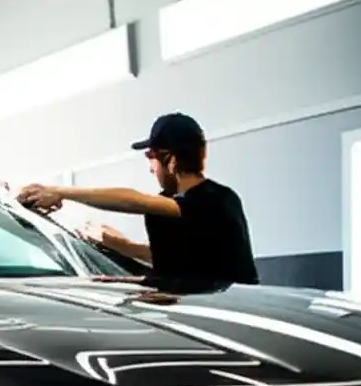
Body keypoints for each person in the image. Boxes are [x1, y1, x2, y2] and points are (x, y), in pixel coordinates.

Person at [17, 112, 259, 287]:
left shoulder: (216, 200)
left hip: (228, 316)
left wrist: (61, 192)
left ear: (170, 159)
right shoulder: (174, 209)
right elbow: (180, 262)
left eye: (150, 157)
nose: (151, 169)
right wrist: (116, 245)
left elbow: (134, 200)